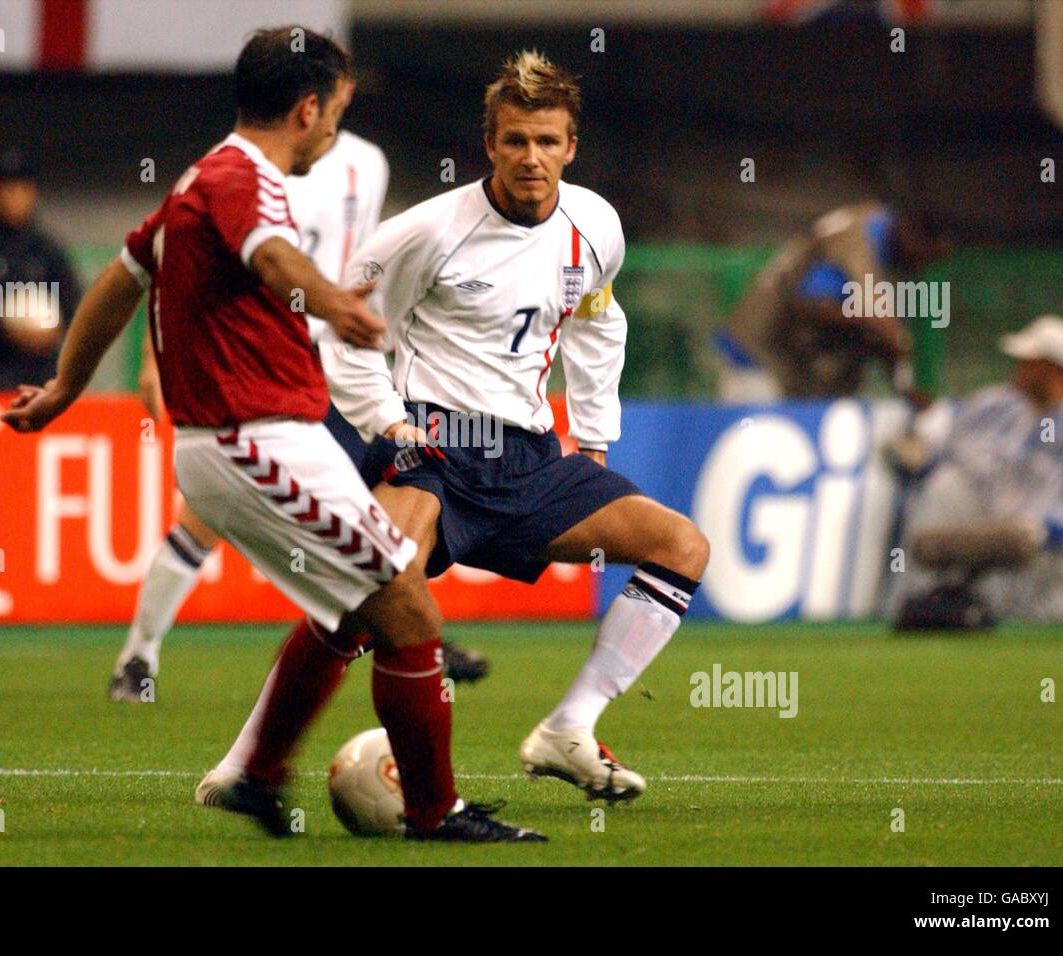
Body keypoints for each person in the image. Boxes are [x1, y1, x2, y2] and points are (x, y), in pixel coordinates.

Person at [2, 26, 541, 843]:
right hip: (250, 439)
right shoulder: (240, 179)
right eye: (338, 112)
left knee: (354, 617)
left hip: (264, 437)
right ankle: (434, 813)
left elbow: (119, 281)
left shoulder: (203, 177)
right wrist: (341, 306)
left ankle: (253, 775)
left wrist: (66, 390)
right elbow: (277, 261)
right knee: (407, 607)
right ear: (307, 107)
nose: (336, 130)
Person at [211, 50, 710, 805]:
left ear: (571, 147)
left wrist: (596, 435)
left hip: (531, 456)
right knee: (366, 590)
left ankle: (568, 729)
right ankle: (248, 765)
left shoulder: (597, 226)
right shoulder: (426, 232)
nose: (531, 159)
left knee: (681, 545)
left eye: (547, 142)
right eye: (516, 141)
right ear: (490, 145)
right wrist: (389, 424)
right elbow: (348, 329)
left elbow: (597, 325)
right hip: (436, 448)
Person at [111, 127, 489, 702]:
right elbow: (174, 259)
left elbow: (371, 260)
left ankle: (408, 628)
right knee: (207, 517)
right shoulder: (241, 165)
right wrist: (151, 358)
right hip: (263, 357)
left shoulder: (368, 161)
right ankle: (139, 654)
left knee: (396, 491)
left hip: (339, 360)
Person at [888, 315, 1063, 625]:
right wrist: (917, 452)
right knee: (946, 484)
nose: (1018, 367)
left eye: (1029, 361)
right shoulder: (996, 406)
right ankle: (922, 603)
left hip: (1056, 565)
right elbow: (943, 449)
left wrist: (1030, 532)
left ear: (1053, 369)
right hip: (992, 545)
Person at [718, 201, 948, 401]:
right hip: (756, 355)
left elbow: (882, 337)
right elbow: (810, 303)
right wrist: (868, 324)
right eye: (926, 255)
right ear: (911, 232)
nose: (923, 266)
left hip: (791, 369)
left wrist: (904, 388)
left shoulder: (886, 251)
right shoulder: (857, 241)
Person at [0, 149, 81, 391]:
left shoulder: (47, 249)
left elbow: (71, 300)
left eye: (21, 188)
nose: (14, 197)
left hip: (42, 372)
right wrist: (13, 331)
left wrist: (51, 332)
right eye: (7, 188)